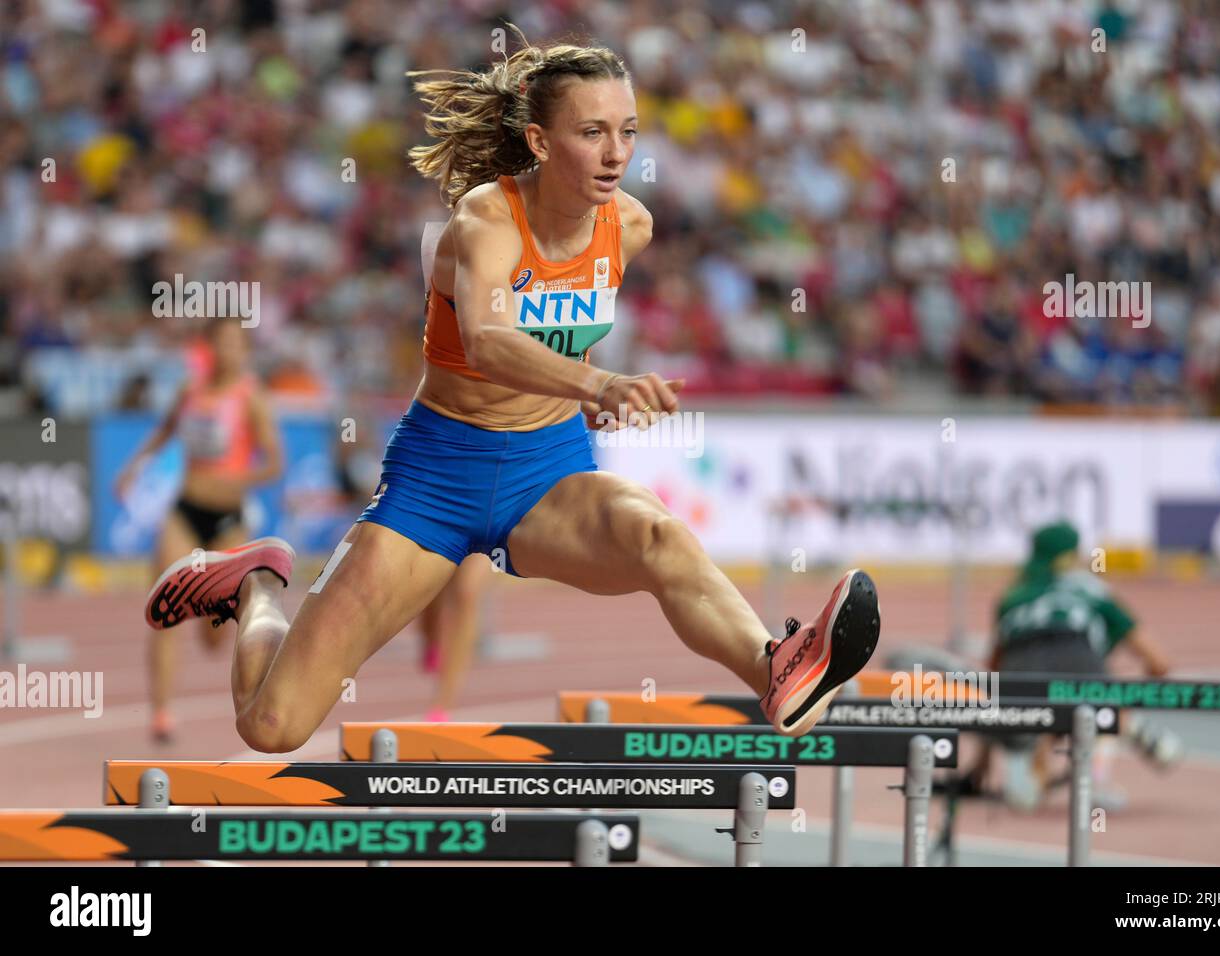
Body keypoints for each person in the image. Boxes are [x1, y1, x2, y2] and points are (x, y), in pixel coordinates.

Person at [141, 26, 881, 754]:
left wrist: (587, 393)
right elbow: (490, 341)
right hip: (436, 479)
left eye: (627, 130)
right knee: (272, 728)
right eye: (592, 132)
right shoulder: (485, 219)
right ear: (539, 142)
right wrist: (599, 381)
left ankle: (775, 664)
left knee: (655, 534)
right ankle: (257, 587)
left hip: (547, 472)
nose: (617, 152)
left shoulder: (631, 227)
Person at [116, 318, 283, 742]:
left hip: (228, 521)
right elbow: (164, 432)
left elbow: (275, 463)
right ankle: (161, 712)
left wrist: (239, 480)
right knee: (165, 602)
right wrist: (133, 467)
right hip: (184, 510)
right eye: (221, 343)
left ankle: (211, 621)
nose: (229, 352)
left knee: (213, 633)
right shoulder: (189, 391)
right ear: (209, 347)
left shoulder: (251, 398)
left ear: (244, 351)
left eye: (237, 345)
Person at [986, 521, 1181, 811]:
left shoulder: (1011, 595)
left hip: (1019, 679)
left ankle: (1030, 769)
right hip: (1079, 660)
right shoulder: (1090, 588)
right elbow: (1159, 662)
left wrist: (978, 768)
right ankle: (1100, 770)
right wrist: (1133, 697)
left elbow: (992, 674)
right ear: (1070, 555)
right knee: (1103, 702)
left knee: (1034, 713)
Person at [417, 552, 493, 721]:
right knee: (432, 589)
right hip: (439, 528)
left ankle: (442, 703)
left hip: (487, 529)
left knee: (467, 592)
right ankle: (433, 639)